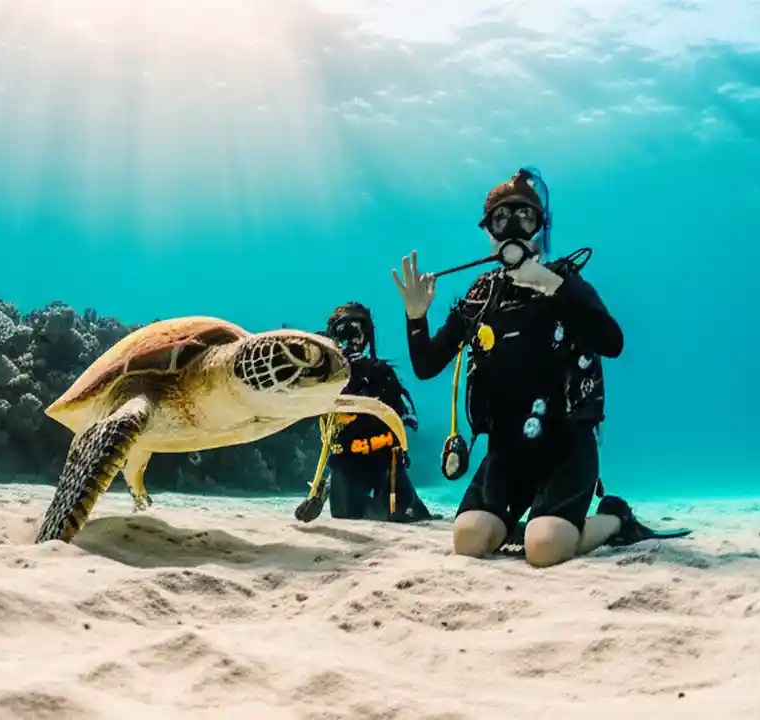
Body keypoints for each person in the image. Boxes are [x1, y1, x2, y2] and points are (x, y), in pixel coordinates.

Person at [391, 166, 687, 568]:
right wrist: (415, 317)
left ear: (541, 228)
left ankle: (615, 519)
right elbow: (427, 365)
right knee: (468, 538)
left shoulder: (565, 281)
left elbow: (612, 342)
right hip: (507, 449)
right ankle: (535, 522)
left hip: (567, 445)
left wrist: (551, 285)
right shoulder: (482, 296)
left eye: (525, 217)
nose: (513, 227)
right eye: (501, 219)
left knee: (545, 549)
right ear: (488, 233)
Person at [294, 302, 435, 524]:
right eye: (344, 332)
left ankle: (409, 501)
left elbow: (407, 417)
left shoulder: (381, 373)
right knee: (347, 516)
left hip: (385, 459)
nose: (351, 341)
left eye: (357, 333)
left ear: (367, 337)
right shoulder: (325, 382)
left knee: (404, 515)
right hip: (346, 460)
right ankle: (330, 486)